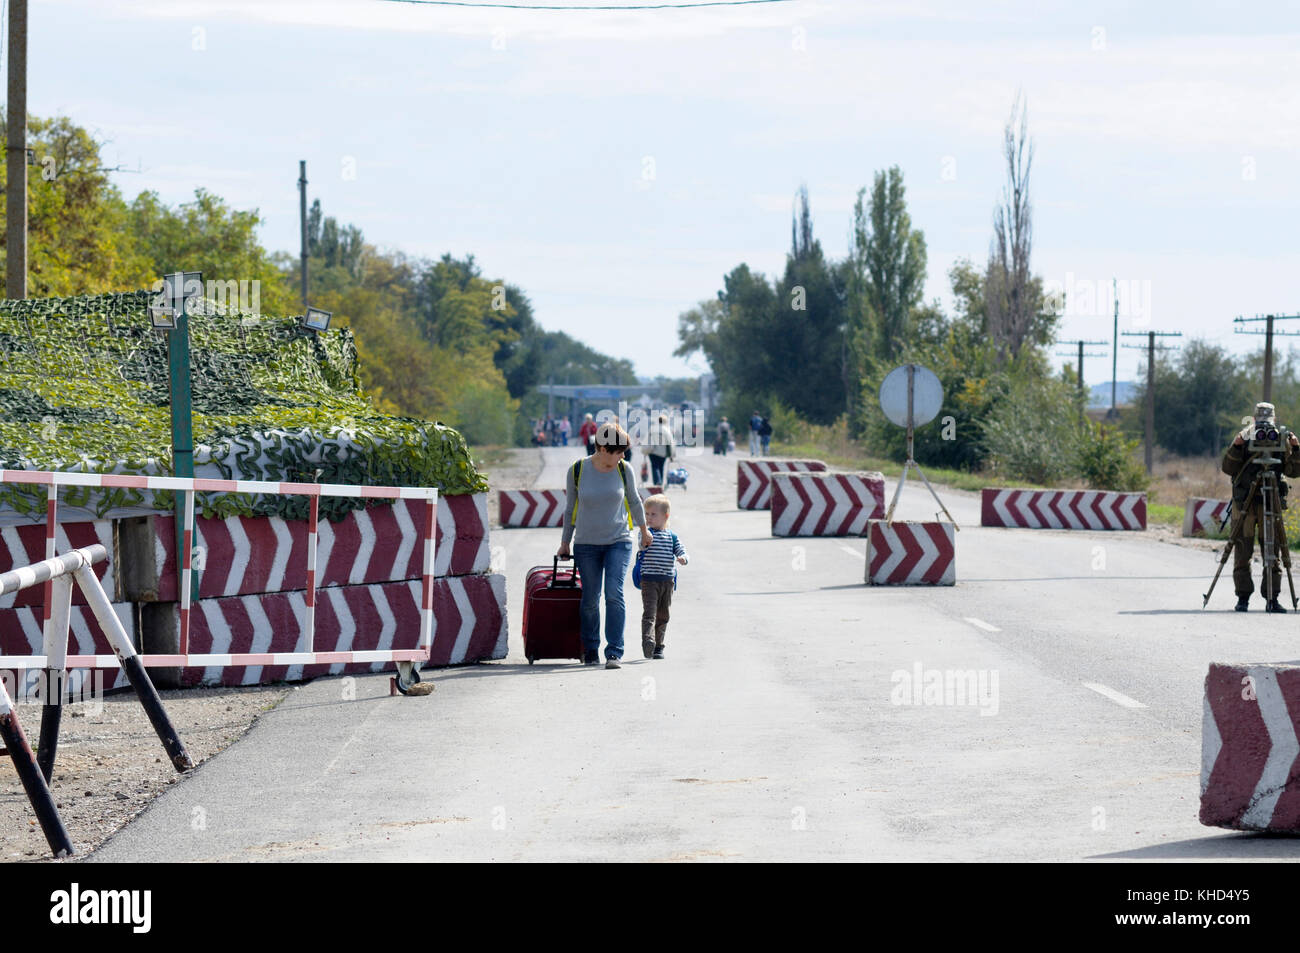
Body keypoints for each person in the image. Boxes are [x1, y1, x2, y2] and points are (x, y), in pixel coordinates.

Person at [558, 422, 651, 668]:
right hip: (586, 544)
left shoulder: (624, 469)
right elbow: (570, 510)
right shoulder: (577, 470)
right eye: (617, 451)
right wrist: (565, 542)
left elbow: (634, 500)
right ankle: (590, 649)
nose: (622, 456)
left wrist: (644, 530)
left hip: (618, 541)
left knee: (613, 593)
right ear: (601, 447)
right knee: (590, 598)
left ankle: (614, 652)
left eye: (624, 452)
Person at [1221, 401, 1300, 612]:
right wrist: (1237, 445)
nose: (1265, 428)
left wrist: (1296, 448)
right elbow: (1228, 468)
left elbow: (1293, 471)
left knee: (1273, 552)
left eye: (1268, 421)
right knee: (1242, 551)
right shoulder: (1246, 436)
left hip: (1271, 500)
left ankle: (1272, 598)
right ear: (1254, 419)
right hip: (1245, 501)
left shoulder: (1280, 437)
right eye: (1261, 421)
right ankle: (1243, 598)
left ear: (1273, 419)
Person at [638, 494, 689, 660]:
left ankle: (659, 646)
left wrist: (683, 558)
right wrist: (646, 539)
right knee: (649, 613)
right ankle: (648, 641)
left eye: (653, 514)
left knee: (663, 615)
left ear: (665, 516)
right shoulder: (646, 533)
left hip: (667, 581)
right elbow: (642, 544)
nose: (649, 518)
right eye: (647, 514)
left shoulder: (672, 536)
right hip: (649, 581)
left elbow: (681, 550)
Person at [646, 414, 674, 485]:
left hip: (652, 452)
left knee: (655, 466)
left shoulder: (652, 429)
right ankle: (660, 483)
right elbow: (670, 443)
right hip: (663, 453)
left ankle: (657, 482)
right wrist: (671, 455)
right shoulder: (667, 430)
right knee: (661, 467)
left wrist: (646, 451)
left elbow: (647, 440)